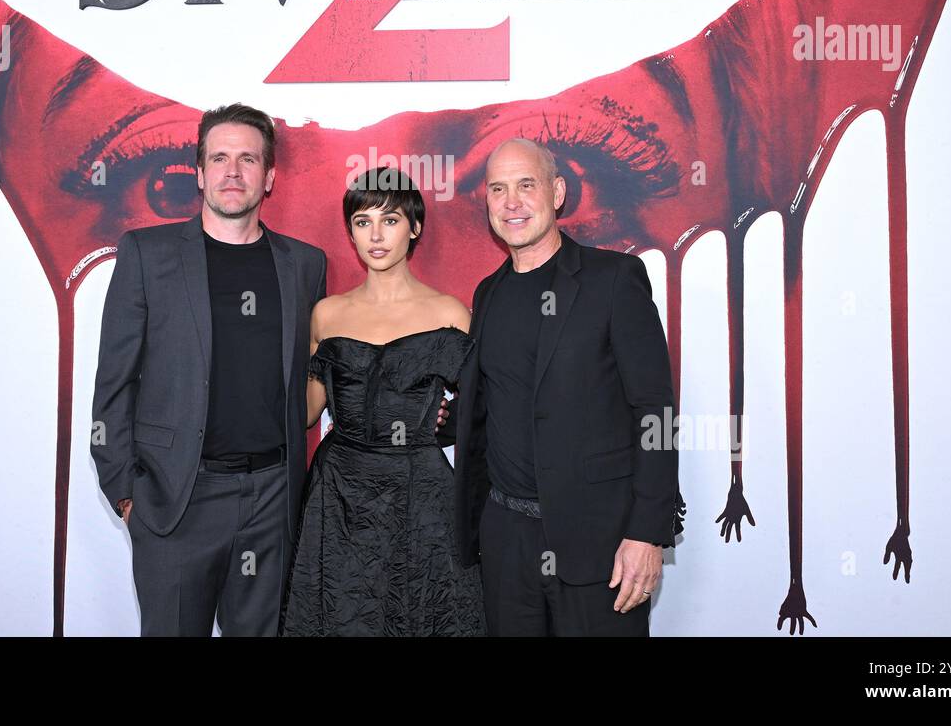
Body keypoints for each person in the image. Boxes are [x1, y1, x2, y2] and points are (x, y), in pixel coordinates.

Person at [90, 103, 327, 636]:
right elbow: (114, 383)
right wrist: (126, 493)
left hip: (272, 500)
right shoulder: (147, 255)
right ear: (199, 172)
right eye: (219, 157)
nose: (233, 172)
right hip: (178, 500)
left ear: (269, 178)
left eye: (248, 159)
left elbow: (323, 371)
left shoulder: (305, 266)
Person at [451, 138, 679, 636]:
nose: (512, 202)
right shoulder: (488, 294)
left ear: (556, 193)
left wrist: (647, 532)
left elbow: (655, 412)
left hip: (600, 540)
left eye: (526, 185)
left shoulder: (614, 279)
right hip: (507, 541)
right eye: (497, 189)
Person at [280, 168, 486, 635]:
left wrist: (444, 420)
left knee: (426, 614)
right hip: (339, 494)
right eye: (362, 221)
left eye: (390, 220)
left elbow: (482, 410)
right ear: (350, 231)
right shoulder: (327, 314)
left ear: (414, 228)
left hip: (423, 494)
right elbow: (308, 412)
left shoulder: (449, 313)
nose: (375, 235)